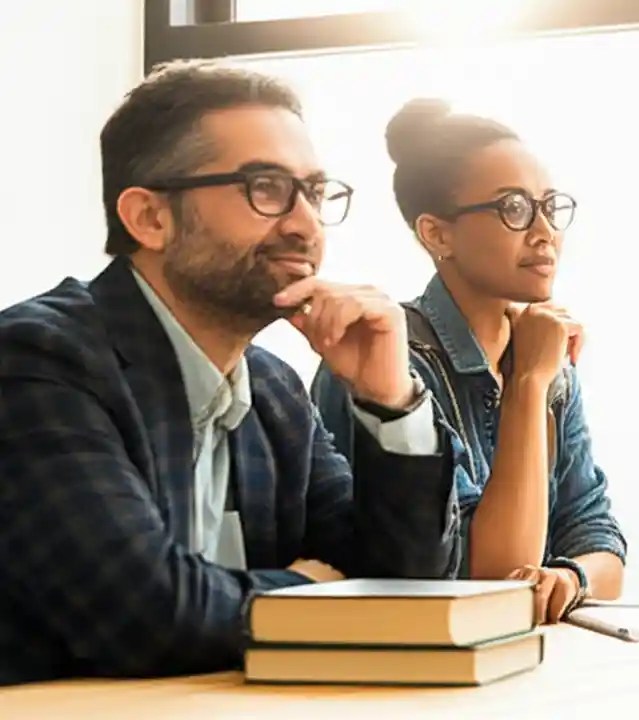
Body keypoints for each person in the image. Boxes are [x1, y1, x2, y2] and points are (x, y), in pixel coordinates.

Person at [0, 61, 456, 685]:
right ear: (149, 218)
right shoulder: (38, 359)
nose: (304, 224)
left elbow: (405, 592)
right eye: (266, 188)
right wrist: (305, 591)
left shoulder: (271, 389)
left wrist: (391, 401)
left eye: (315, 193)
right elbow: (142, 614)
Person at [311, 99, 626, 624]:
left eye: (551, 206)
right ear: (436, 233)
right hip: (404, 662)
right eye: (515, 208)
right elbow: (490, 578)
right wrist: (528, 384)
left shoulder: (544, 353)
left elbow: (598, 534)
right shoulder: (384, 361)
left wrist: (569, 577)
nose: (545, 230)